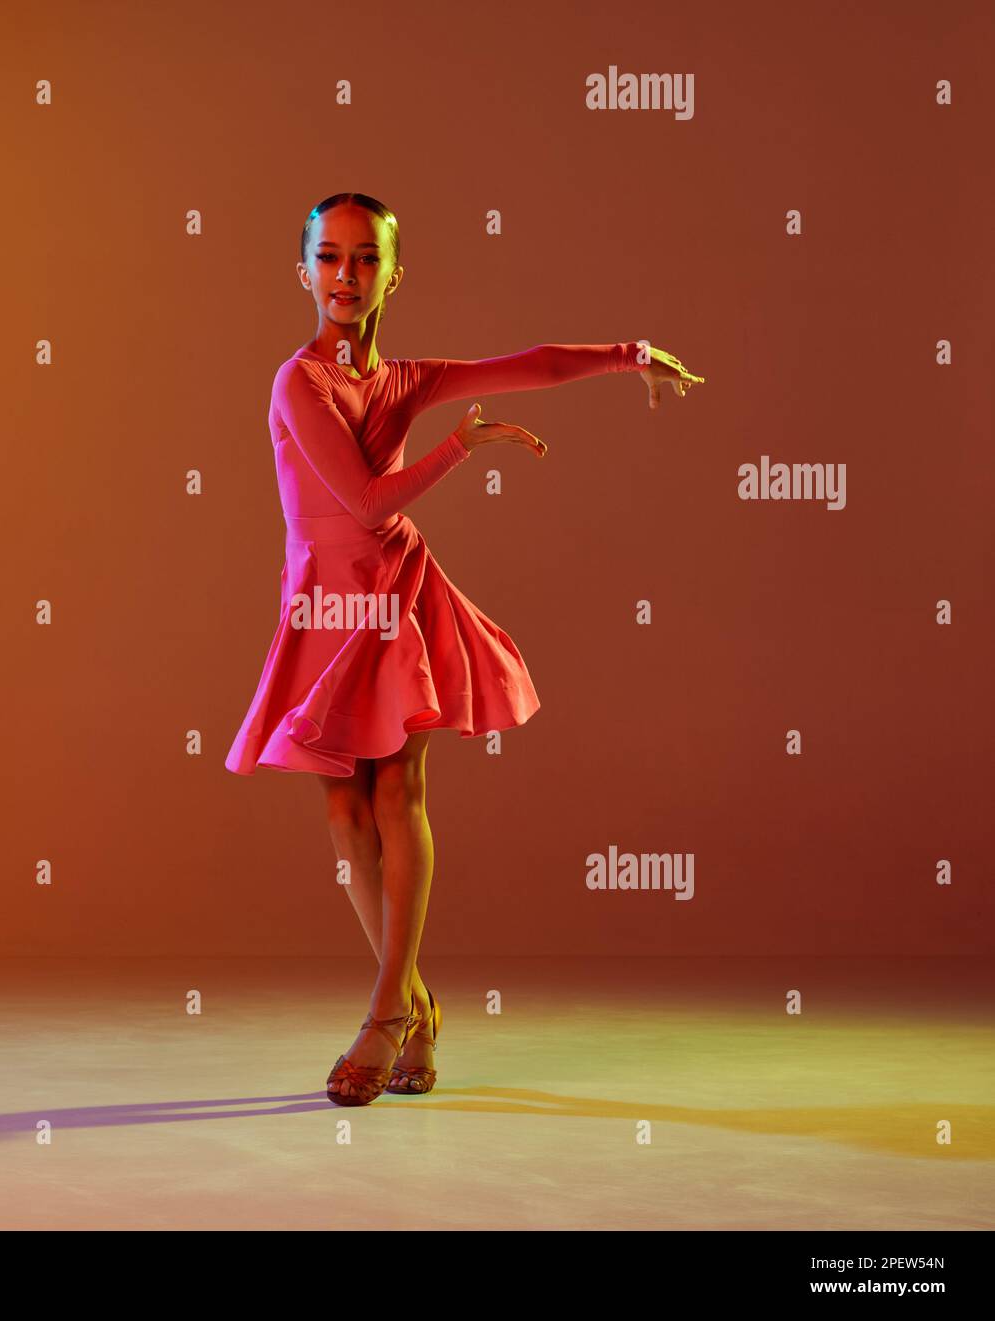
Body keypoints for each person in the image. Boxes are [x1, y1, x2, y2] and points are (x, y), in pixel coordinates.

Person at [225, 193, 705, 1105]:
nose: (346, 276)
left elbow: (525, 364)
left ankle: (385, 1018)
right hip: (325, 607)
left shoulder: (405, 375)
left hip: (397, 594)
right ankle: (414, 1000)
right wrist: (460, 447)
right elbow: (364, 500)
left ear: (394, 274)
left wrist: (630, 355)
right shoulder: (300, 381)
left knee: (400, 790)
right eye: (329, 258)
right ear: (303, 272)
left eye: (367, 259)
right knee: (343, 817)